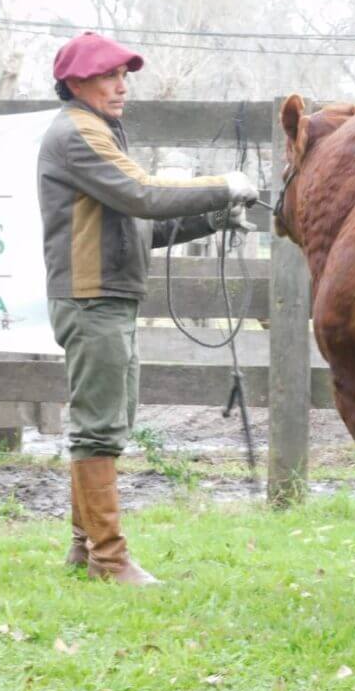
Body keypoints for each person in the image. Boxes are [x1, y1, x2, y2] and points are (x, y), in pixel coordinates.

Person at [37, 31, 258, 585]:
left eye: (124, 76)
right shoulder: (77, 134)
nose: (122, 86)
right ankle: (109, 560)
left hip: (105, 297)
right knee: (99, 427)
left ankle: (84, 549)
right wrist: (223, 185)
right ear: (76, 82)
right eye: (109, 76)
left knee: (107, 421)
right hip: (92, 299)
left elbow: (142, 224)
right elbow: (145, 195)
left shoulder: (97, 131)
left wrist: (214, 217)